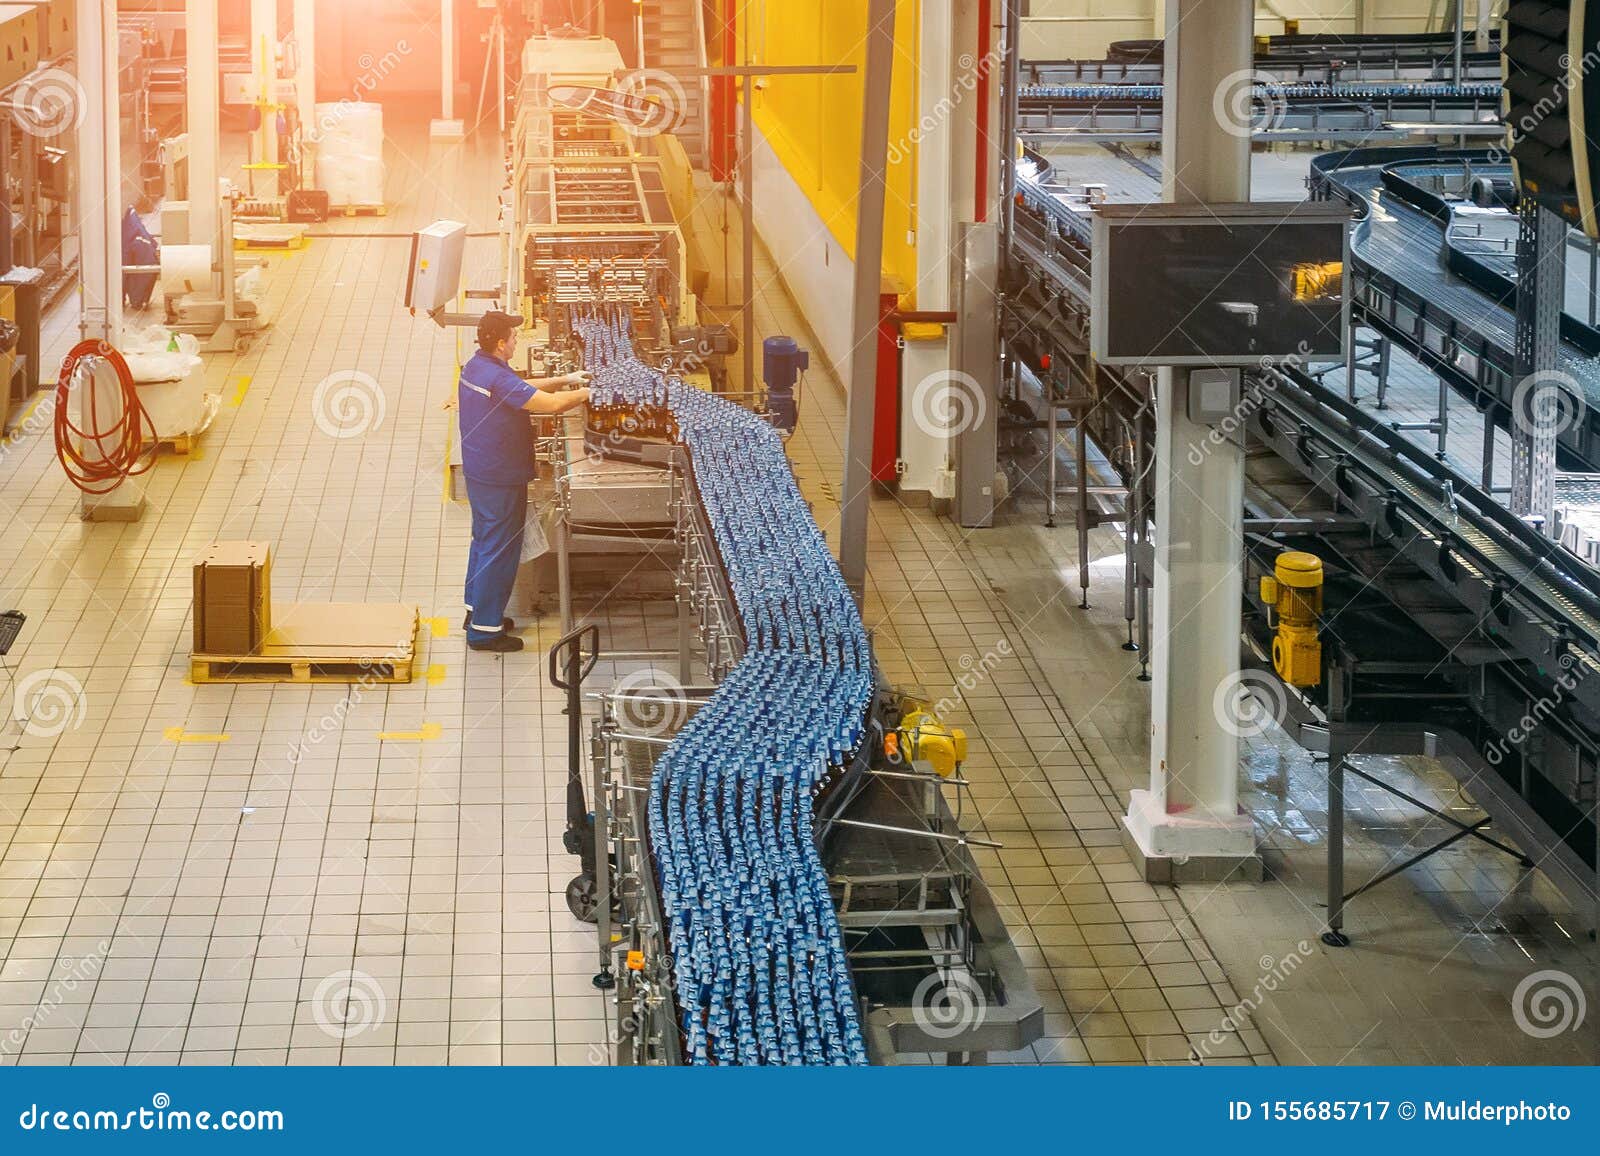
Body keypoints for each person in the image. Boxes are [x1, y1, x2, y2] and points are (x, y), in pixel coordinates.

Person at [459, 310, 591, 652]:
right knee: (499, 548)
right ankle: (485, 632)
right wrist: (591, 393)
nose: (518, 341)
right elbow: (552, 405)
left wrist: (566, 379)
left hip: (482, 470)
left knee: (484, 539)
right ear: (502, 343)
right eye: (515, 337)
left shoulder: (479, 366)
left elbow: (522, 389)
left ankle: (475, 611)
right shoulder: (495, 376)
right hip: (499, 474)